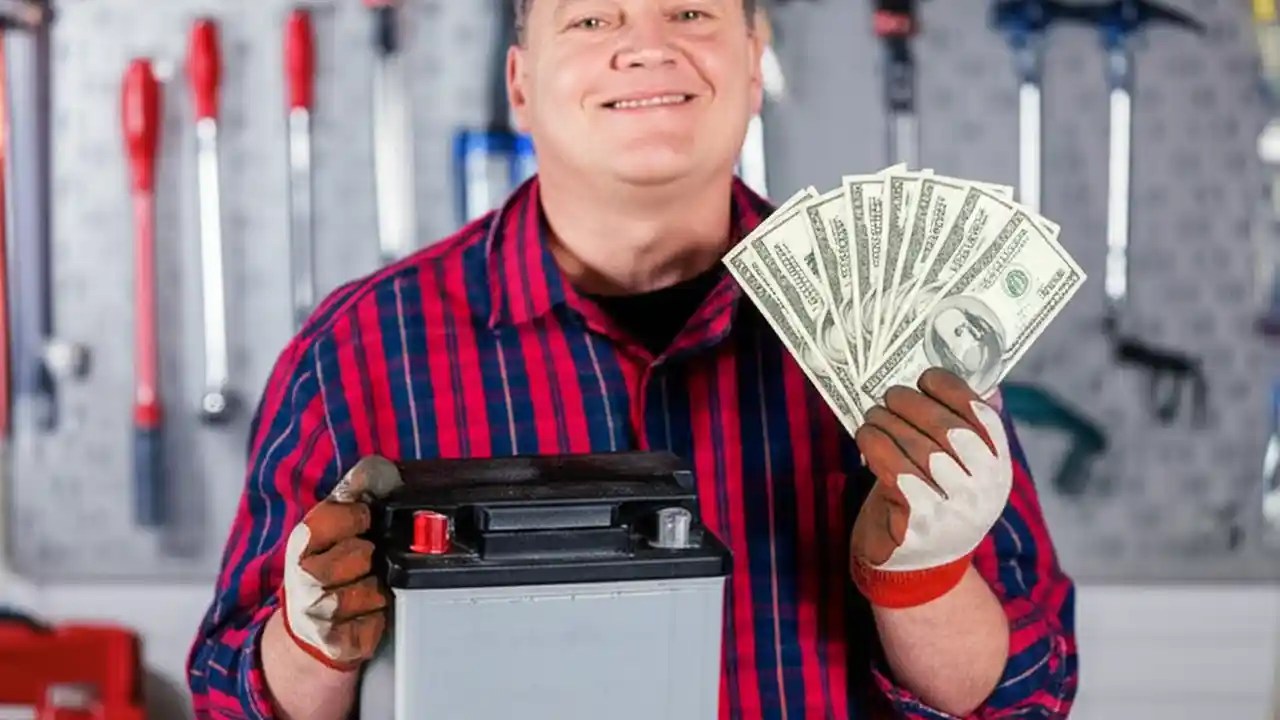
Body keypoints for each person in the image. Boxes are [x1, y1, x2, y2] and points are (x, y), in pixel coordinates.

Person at [186, 1, 1079, 718]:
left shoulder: (904, 334)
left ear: (754, 58)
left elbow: (1023, 696)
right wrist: (310, 643)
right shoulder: (358, 352)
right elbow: (233, 697)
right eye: (592, 20)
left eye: (691, 15)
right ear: (521, 85)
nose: (647, 47)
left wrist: (922, 576)